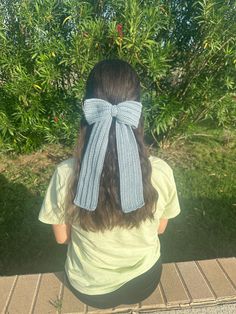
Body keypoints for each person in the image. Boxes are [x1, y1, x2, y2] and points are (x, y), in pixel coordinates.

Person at [38, 59, 181, 309]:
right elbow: (160, 229)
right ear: (136, 111)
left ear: (89, 110)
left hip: (90, 289)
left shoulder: (65, 174)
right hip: (146, 281)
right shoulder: (160, 171)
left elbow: (62, 238)